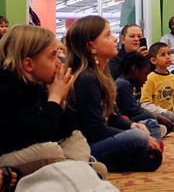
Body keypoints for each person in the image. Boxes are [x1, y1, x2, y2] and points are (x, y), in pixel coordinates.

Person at [0, 26, 75, 158]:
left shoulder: (33, 87)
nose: (59, 63)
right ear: (28, 65)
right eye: (52, 56)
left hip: (13, 155)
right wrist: (55, 99)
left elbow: (62, 131)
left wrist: (60, 101)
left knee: (76, 138)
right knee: (49, 152)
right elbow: (38, 135)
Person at [66, 16, 162, 172]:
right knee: (138, 137)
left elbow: (111, 116)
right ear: (92, 47)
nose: (114, 39)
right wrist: (133, 132)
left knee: (149, 124)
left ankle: (138, 154)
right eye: (108, 35)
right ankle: (140, 152)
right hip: (88, 146)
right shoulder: (86, 78)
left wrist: (131, 125)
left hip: (103, 137)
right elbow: (95, 130)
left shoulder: (101, 74)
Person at [114, 52, 173, 135]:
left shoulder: (125, 84)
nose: (146, 80)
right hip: (126, 123)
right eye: (145, 74)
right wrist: (157, 117)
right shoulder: (123, 84)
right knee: (153, 123)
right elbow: (134, 112)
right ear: (134, 69)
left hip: (131, 120)